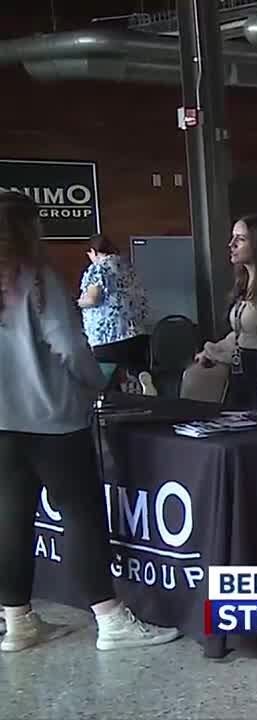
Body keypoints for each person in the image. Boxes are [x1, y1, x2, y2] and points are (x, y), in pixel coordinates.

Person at [0, 190, 181, 652]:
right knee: (80, 513)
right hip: (53, 420)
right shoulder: (37, 279)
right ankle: (111, 619)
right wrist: (94, 385)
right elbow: (70, 347)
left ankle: (18, 621)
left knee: (11, 515)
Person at [195, 214, 257, 410]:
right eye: (232, 237)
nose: (231, 244)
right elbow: (239, 335)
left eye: (241, 239)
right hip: (240, 373)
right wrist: (213, 350)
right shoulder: (243, 284)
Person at [76, 233, 150, 386]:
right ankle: (142, 379)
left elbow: (93, 299)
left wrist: (76, 302)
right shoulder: (127, 266)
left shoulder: (97, 268)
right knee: (135, 373)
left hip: (108, 336)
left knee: (108, 383)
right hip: (137, 333)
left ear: (93, 252)